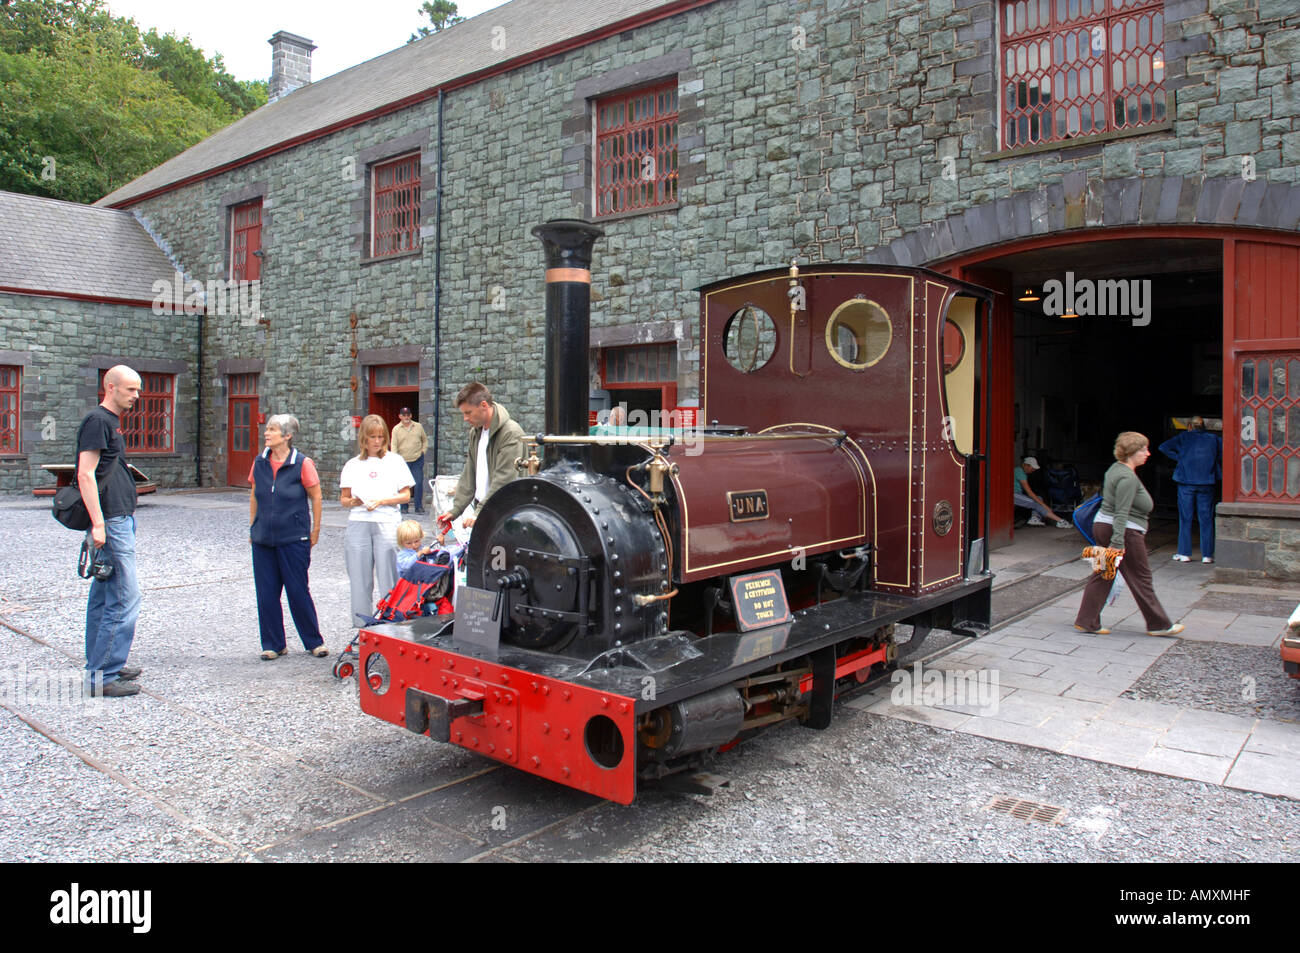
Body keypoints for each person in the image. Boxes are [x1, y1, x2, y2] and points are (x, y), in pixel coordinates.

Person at [1075, 431, 1185, 638]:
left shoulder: (1115, 470)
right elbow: (1121, 511)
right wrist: (1117, 542)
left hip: (1104, 525)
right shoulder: (1127, 477)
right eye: (1143, 449)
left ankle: (1086, 621)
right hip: (1124, 532)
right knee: (1141, 576)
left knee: (1104, 573)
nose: (1148, 453)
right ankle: (1159, 624)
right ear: (1132, 451)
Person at [77, 365, 145, 698]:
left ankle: (102, 664)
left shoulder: (109, 423)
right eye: (130, 389)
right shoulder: (98, 421)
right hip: (112, 522)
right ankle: (104, 674)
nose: (136, 395)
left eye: (138, 390)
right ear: (110, 386)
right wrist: (100, 522)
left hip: (117, 518)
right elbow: (85, 474)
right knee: (125, 596)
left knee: (104, 597)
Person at [249, 414, 327, 661]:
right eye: (267, 429)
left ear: (287, 436)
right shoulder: (259, 462)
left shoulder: (302, 463)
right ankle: (273, 644)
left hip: (294, 538)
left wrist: (314, 530)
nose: (266, 434)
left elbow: (316, 497)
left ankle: (314, 641)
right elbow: (254, 495)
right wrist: (253, 527)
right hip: (263, 540)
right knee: (267, 592)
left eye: (272, 430)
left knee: (297, 590)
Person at [341, 414, 414, 627]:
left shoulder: (395, 461)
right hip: (359, 521)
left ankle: (392, 626)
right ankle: (362, 629)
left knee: (389, 577)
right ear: (363, 437)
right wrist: (355, 501)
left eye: (381, 436)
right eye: (372, 436)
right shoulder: (353, 464)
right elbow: (344, 499)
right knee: (359, 579)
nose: (376, 441)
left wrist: (382, 501)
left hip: (387, 521)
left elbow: (406, 495)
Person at [436, 382, 526, 543]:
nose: (465, 418)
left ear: (483, 405)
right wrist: (456, 509)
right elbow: (470, 472)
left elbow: (504, 480)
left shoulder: (511, 433)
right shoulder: (475, 432)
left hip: (506, 515)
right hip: (486, 512)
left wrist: (479, 512)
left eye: (468, 413)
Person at [1159, 416, 1222, 564]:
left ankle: (1184, 553)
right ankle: (1207, 555)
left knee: (1185, 518)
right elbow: (1222, 452)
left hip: (1186, 481)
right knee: (1206, 519)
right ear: (1203, 426)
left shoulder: (1184, 437)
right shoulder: (1213, 438)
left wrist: (1180, 457)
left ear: (1190, 426)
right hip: (1206, 481)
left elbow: (1163, 447)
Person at [391, 407, 429, 515]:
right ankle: (403, 507)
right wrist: (395, 458)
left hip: (417, 459)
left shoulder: (418, 426)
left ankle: (418, 507)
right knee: (403, 485)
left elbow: (425, 440)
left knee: (418, 483)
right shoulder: (396, 429)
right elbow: (393, 445)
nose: (406, 417)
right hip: (403, 461)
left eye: (408, 415)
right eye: (404, 415)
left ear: (411, 416)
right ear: (400, 416)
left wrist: (423, 451)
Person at [1014, 456, 1071, 528]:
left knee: (1039, 498)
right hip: (1013, 495)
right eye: (1032, 467)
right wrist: (1045, 506)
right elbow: (1029, 492)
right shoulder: (1019, 472)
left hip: (1018, 495)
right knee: (1036, 503)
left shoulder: (1021, 472)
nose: (1033, 470)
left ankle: (1035, 518)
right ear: (1026, 465)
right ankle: (1060, 521)